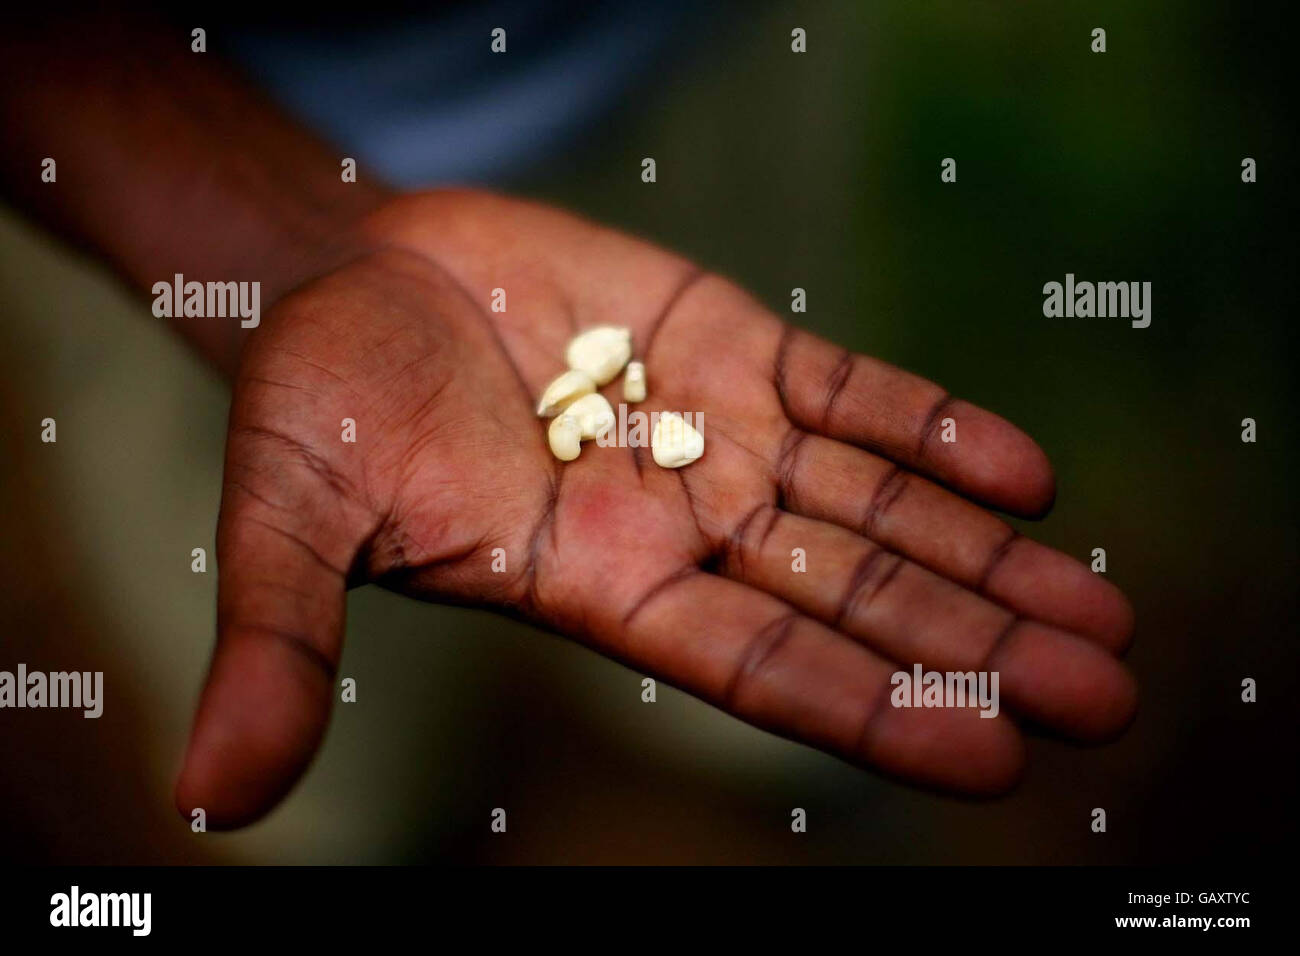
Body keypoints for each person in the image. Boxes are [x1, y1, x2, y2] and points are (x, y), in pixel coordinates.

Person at [0, 9, 1136, 829]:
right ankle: (361, 821)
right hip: (164, 154)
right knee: (333, 742)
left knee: (773, 552)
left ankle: (773, 774)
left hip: (680, 51)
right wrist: (267, 227)